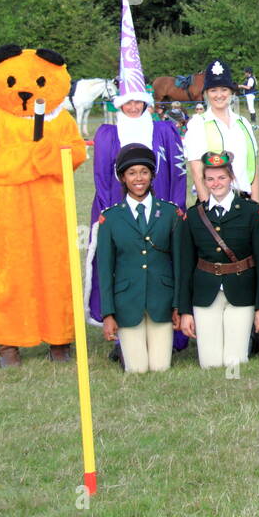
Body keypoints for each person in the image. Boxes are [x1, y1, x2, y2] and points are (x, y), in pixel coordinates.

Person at [0, 45, 88, 367]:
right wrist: (32, 158)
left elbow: (75, 153)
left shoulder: (60, 118)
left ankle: (59, 338)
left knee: (55, 270)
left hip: (51, 210)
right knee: (11, 272)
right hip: (6, 212)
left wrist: (48, 156)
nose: (24, 90)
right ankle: (9, 341)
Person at [86, 0, 185, 327]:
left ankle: (171, 329)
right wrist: (117, 216)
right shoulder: (108, 135)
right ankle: (119, 324)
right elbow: (103, 178)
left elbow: (179, 171)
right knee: (121, 265)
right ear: (120, 104)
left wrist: (174, 209)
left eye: (137, 102)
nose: (132, 107)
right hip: (119, 211)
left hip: (161, 210)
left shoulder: (165, 131)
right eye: (127, 102)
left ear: (145, 102)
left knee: (164, 265)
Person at [176, 151, 259, 369]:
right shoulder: (193, 217)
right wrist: (185, 311)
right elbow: (186, 266)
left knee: (234, 362)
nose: (216, 183)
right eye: (210, 178)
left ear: (231, 178)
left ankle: (235, 396)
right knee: (209, 363)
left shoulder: (251, 212)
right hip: (205, 293)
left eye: (221, 177)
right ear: (203, 181)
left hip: (241, 291)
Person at [95, 143, 183, 374]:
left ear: (152, 175)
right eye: (131, 173)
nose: (138, 178)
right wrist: (108, 314)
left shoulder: (170, 213)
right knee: (137, 369)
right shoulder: (110, 218)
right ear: (122, 178)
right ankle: (125, 350)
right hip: (127, 303)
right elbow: (104, 270)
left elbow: (180, 266)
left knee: (160, 366)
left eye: (144, 172)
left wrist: (177, 305)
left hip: (161, 301)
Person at [184, 59, 259, 203]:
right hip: (214, 203)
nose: (219, 95)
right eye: (213, 90)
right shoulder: (198, 124)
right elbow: (197, 172)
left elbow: (253, 169)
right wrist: (208, 212)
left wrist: (256, 207)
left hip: (245, 202)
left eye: (224, 89)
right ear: (206, 93)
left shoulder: (243, 123)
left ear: (231, 91)